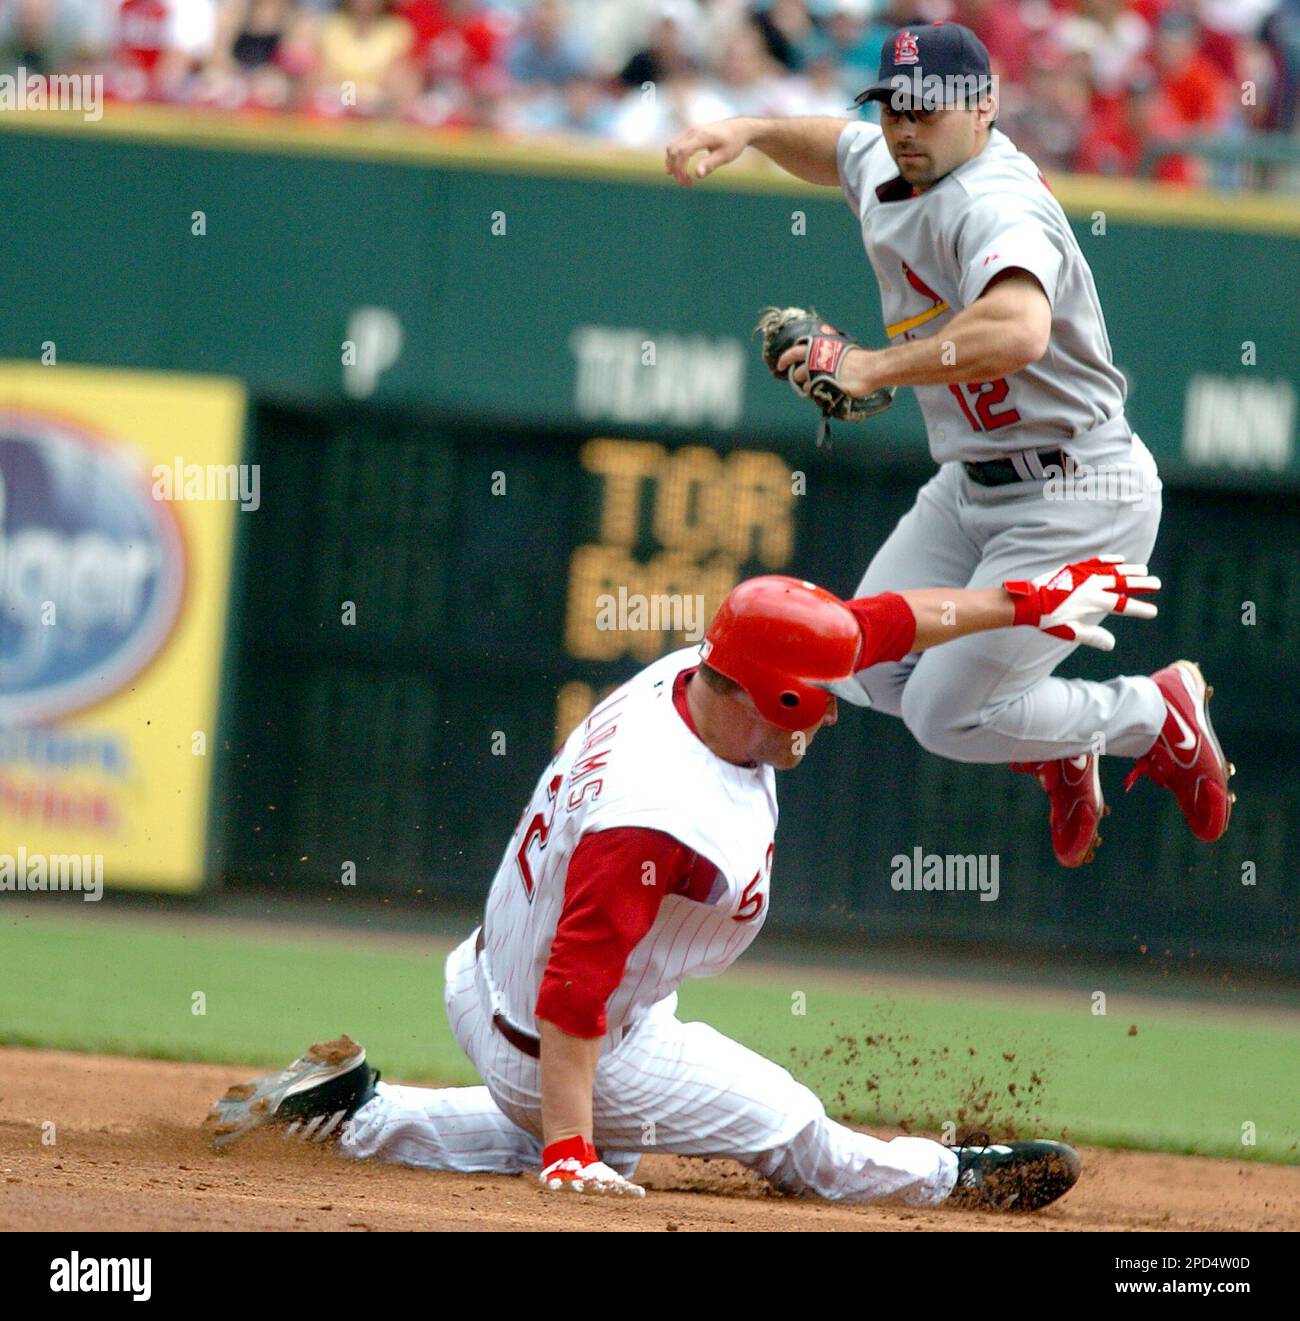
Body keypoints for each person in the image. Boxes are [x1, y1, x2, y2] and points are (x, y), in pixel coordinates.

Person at [206, 560, 1158, 1209]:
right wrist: (569, 1151)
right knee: (789, 1126)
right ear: (776, 696)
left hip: (492, 984)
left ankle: (353, 1111)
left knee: (593, 1129)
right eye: (821, 704)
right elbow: (575, 985)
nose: (829, 718)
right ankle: (951, 1179)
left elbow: (878, 625)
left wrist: (1023, 604)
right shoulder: (658, 808)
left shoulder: (711, 674)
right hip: (557, 1028)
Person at [663, 21, 1235, 869]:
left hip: (1077, 492)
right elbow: (841, 148)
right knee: (857, 660)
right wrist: (747, 131)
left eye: (926, 110)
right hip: (972, 485)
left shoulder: (994, 198)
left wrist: (868, 366)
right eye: (894, 106)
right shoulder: (894, 159)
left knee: (943, 715)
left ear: (985, 107)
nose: (904, 126)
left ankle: (1154, 713)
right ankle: (1053, 737)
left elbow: (1020, 328)